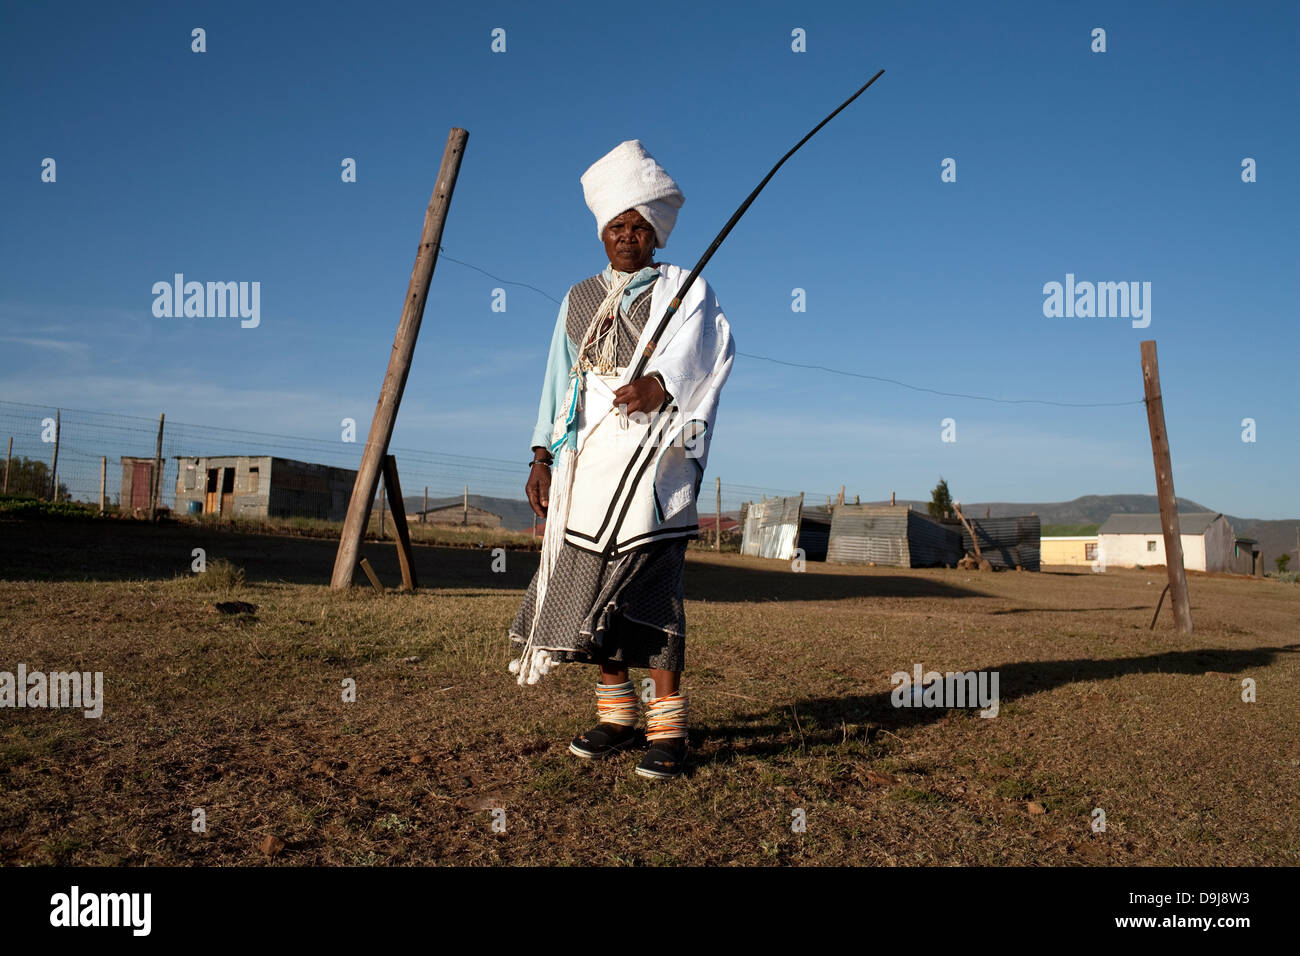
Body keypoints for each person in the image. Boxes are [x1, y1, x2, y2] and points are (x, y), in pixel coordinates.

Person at [507, 139, 735, 780]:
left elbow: (707, 354)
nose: (628, 235)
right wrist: (540, 456)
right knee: (593, 597)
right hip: (586, 468)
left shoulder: (684, 289)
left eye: (640, 226)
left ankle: (668, 730)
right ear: (602, 232)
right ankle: (617, 718)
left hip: (655, 469)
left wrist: (660, 385)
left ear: (656, 234)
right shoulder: (577, 299)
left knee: (654, 595)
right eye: (617, 226)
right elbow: (559, 385)